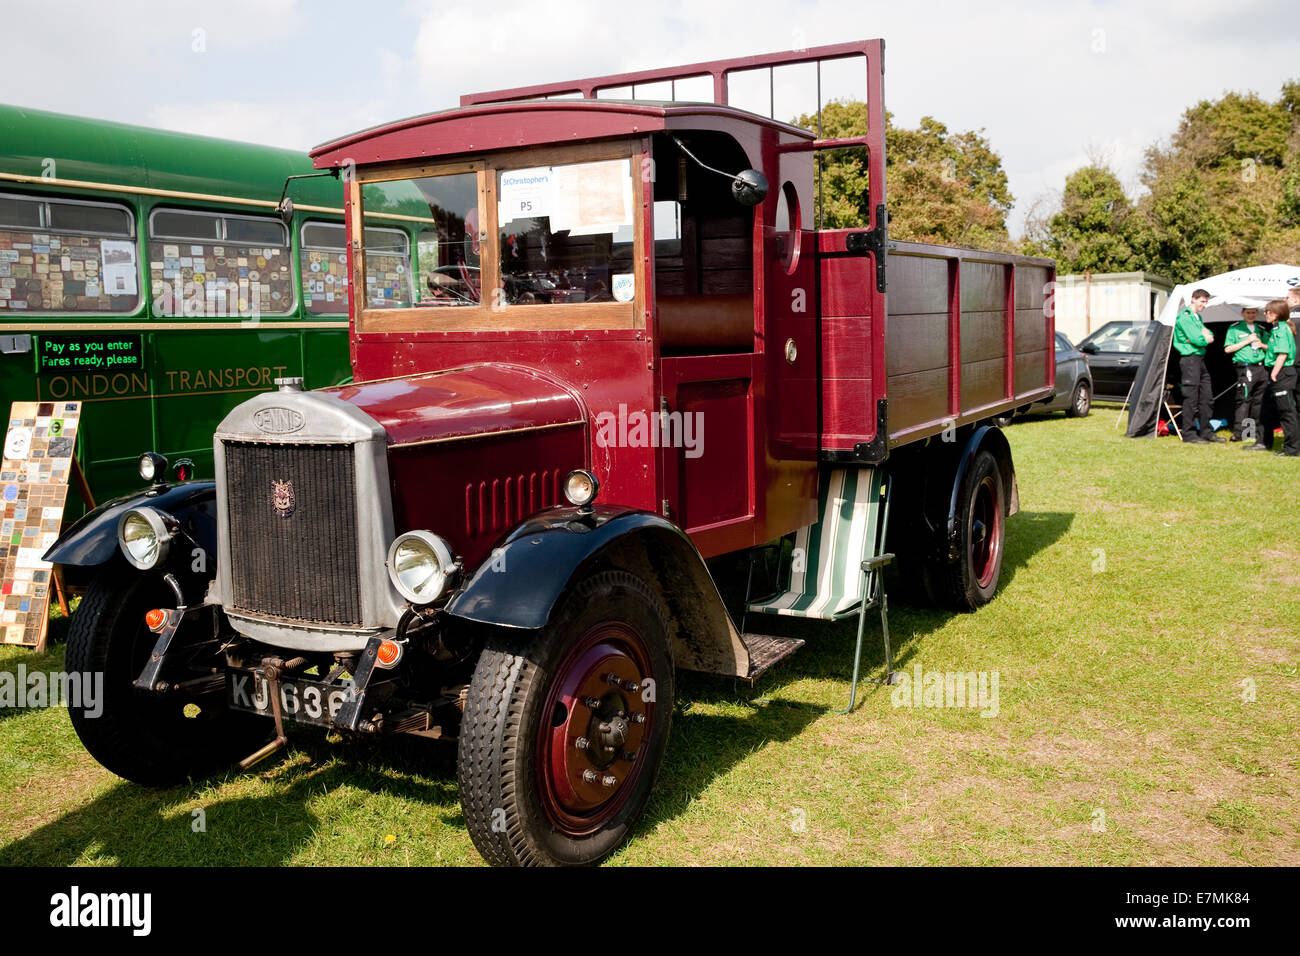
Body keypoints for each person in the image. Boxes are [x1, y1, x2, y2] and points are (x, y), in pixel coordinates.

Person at [1173, 288, 1221, 443]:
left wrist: (1204, 337)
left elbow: (1209, 336)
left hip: (1200, 359)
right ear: (1193, 299)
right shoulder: (1185, 317)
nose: (1204, 305)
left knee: (1207, 397)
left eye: (1206, 302)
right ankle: (1189, 433)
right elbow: (1200, 339)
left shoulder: (1197, 317)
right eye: (1202, 301)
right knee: (1191, 398)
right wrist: (1202, 338)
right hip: (1190, 360)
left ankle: (1206, 431)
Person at [1223, 305, 1268, 444]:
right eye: (1248, 312)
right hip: (1245, 366)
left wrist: (1262, 345)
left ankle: (1253, 432)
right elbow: (1228, 349)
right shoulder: (1235, 328)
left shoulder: (1261, 329)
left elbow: (1272, 348)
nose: (1251, 315)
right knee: (1244, 399)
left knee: (1259, 401)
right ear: (1243, 313)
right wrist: (1247, 341)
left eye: (1254, 312)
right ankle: (1240, 433)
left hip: (1261, 367)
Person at [1263, 297, 1298, 457]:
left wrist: (1274, 372)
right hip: (1282, 371)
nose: (1265, 314)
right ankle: (1292, 447)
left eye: (1268, 311)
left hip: (1283, 373)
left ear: (1277, 313)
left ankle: (1292, 449)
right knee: (1285, 412)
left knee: (1287, 412)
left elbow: (1282, 353)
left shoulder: (1281, 329)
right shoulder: (1277, 328)